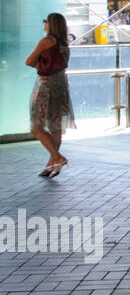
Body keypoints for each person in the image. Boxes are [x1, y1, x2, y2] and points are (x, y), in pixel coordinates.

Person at [26, 12, 75, 177]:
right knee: (56, 128)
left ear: (51, 24)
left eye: (45, 21)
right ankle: (51, 165)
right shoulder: (64, 44)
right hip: (61, 85)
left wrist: (40, 63)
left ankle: (57, 157)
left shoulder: (46, 41)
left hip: (45, 86)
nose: (43, 24)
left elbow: (29, 61)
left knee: (36, 127)